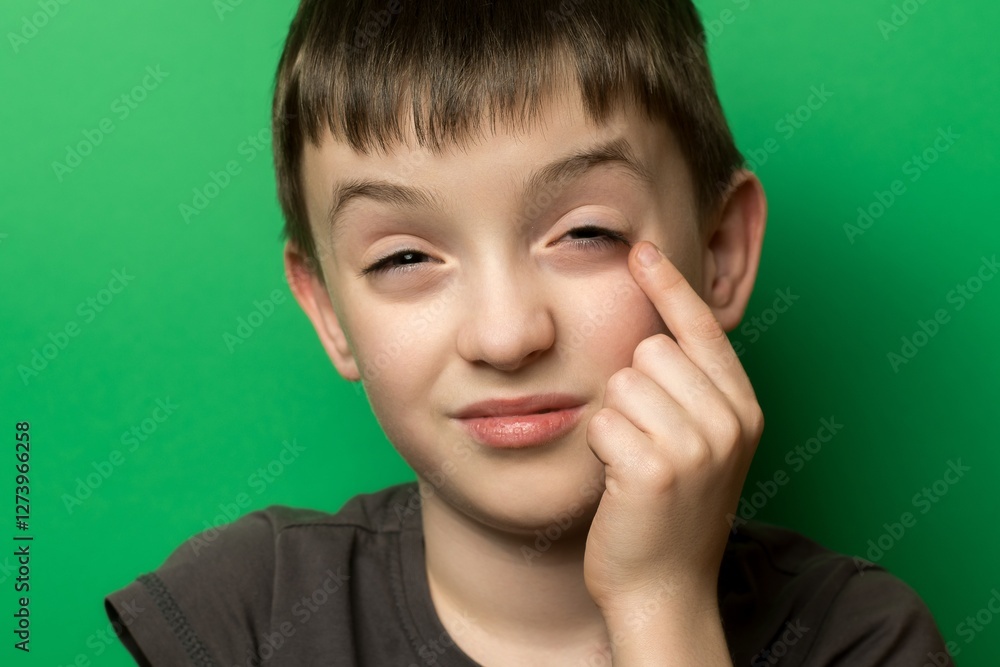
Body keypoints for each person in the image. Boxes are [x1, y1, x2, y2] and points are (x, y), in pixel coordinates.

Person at [104, 1, 955, 664]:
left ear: (722, 250)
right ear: (329, 309)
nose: (506, 336)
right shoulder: (240, 617)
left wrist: (661, 604)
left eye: (586, 234)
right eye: (405, 255)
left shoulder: (863, 637)